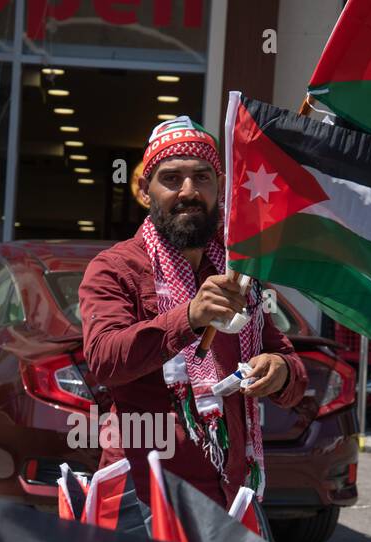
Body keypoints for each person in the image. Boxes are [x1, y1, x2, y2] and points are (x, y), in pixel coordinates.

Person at [79, 116, 308, 509]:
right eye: (171, 179)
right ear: (145, 190)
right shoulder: (114, 269)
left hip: (232, 496)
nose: (188, 191)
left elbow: (292, 371)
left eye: (202, 177)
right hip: (145, 497)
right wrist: (188, 317)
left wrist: (280, 370)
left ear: (220, 187)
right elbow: (104, 359)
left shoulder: (239, 271)